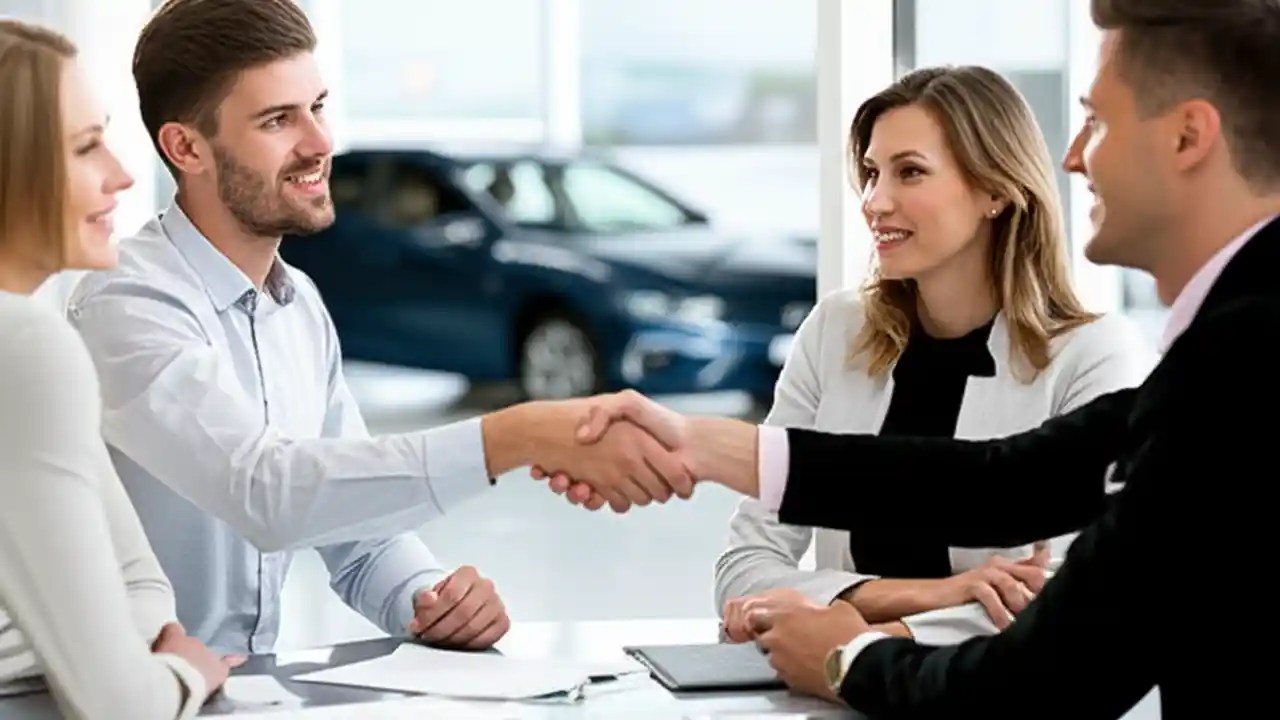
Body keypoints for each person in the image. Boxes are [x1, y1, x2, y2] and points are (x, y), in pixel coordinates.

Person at [545, 0, 1280, 715]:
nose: (1074, 156)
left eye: (1098, 120)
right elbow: (1004, 482)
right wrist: (701, 446)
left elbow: (1051, 665)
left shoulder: (1238, 360)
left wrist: (848, 653)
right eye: (870, 173)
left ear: (1189, 137)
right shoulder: (1226, 349)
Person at [66, 0, 692, 657]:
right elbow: (266, 492)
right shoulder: (127, 303)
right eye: (278, 120)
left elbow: (354, 528)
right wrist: (519, 433)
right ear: (185, 147)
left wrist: (425, 597)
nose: (319, 143)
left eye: (318, 106)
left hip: (239, 692)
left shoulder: (297, 305)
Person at [713, 65, 1153, 646]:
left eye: (910, 173)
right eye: (871, 173)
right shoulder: (835, 331)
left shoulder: (1093, 354)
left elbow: (1069, 595)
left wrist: (856, 641)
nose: (874, 201)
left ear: (996, 189)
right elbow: (744, 569)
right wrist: (933, 594)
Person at [0, 18, 230, 718]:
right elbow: (119, 705)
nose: (123, 174)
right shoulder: (24, 350)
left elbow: (142, 583)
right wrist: (186, 674)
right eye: (84, 147)